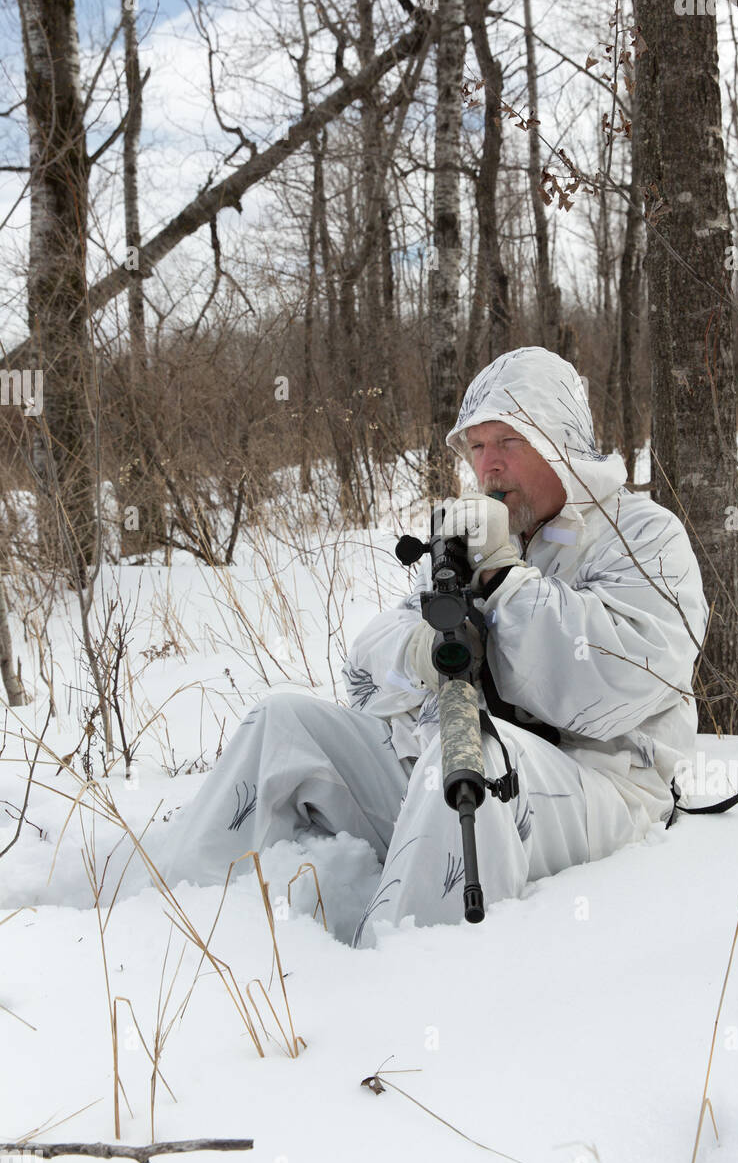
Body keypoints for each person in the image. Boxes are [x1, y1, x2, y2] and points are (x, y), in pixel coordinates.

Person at [161, 345, 709, 949]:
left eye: (509, 441)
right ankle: (185, 934)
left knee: (466, 763)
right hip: (442, 770)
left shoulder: (641, 534)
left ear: (559, 442)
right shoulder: (471, 536)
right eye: (476, 447)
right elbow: (367, 681)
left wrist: (504, 581)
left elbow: (614, 685)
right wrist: (418, 653)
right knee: (282, 725)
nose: (489, 466)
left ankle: (394, 992)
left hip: (602, 788)